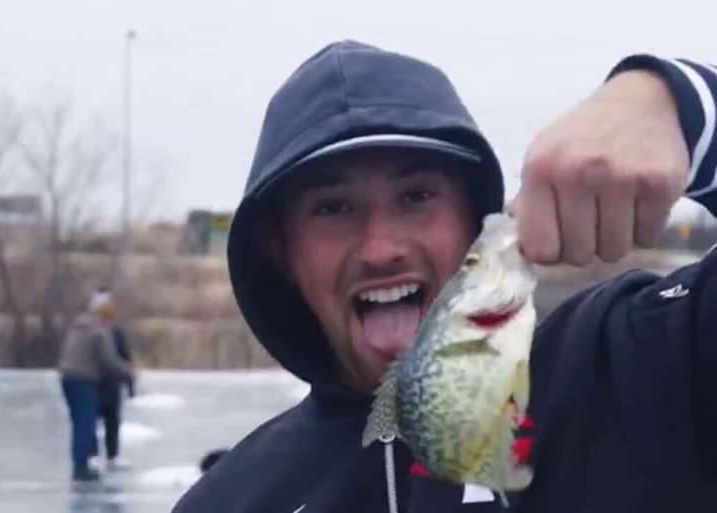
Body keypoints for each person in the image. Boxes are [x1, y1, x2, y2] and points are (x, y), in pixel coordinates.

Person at [171, 41, 716, 513]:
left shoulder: (627, 365)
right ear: (282, 253)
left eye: (416, 197)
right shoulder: (230, 500)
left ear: (472, 222)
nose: (381, 249)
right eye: (333, 209)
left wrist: (674, 105)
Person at [58, 289, 133, 481]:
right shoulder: (99, 331)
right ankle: (81, 468)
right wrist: (128, 371)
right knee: (85, 424)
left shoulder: (80, 326)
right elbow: (109, 360)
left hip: (67, 378)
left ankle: (80, 463)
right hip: (83, 380)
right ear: (106, 317)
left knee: (79, 423)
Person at [95, 294, 136, 470]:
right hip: (96, 384)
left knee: (112, 422)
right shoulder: (95, 333)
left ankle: (112, 455)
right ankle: (93, 455)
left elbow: (125, 358)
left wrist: (130, 384)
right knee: (92, 422)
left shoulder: (117, 334)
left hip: (112, 384)